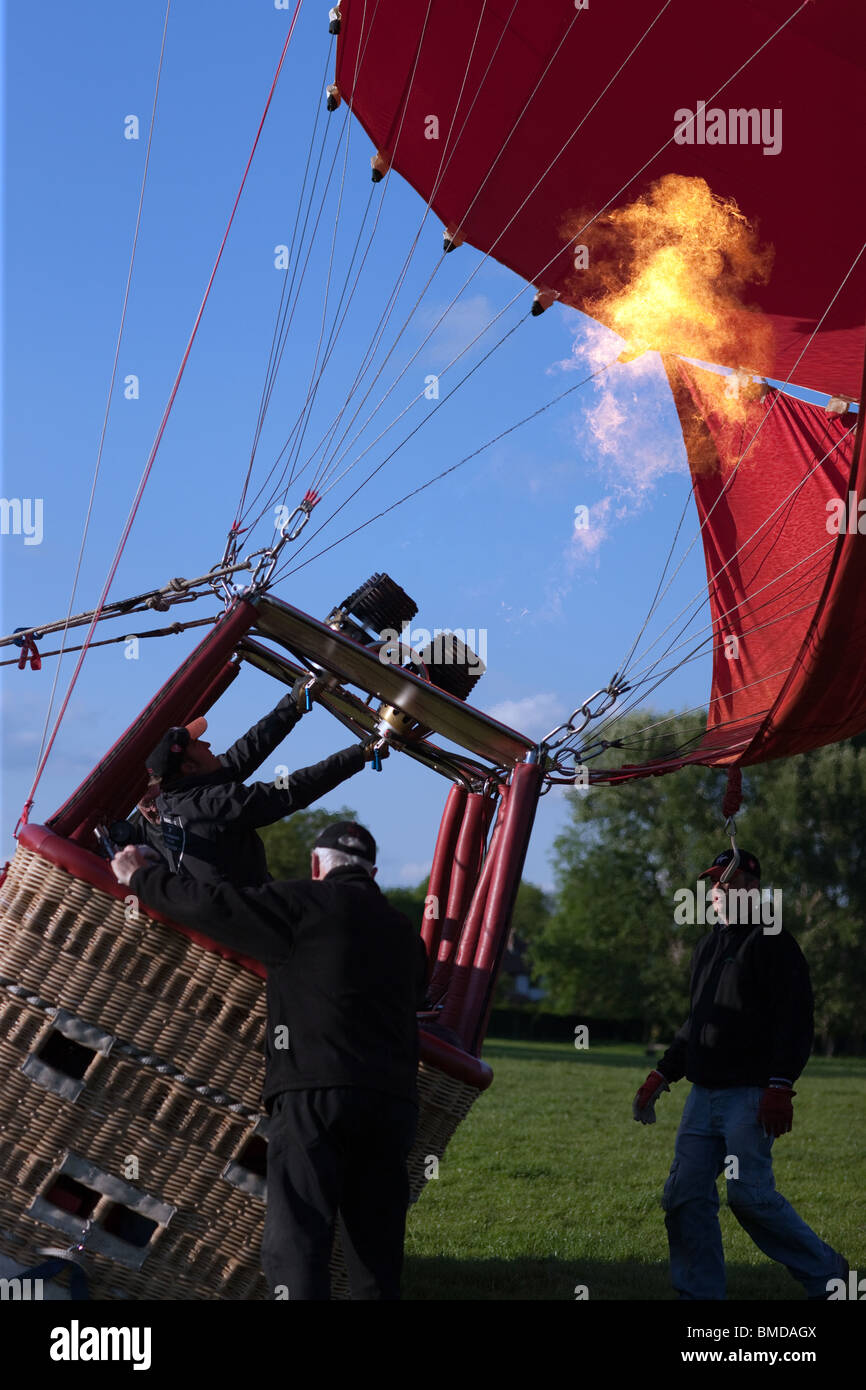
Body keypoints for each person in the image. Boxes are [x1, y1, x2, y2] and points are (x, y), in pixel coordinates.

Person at [111, 820, 428, 1301]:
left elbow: (213, 909)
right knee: (375, 1245)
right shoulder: (406, 934)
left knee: (298, 1234)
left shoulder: (302, 903)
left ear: (317, 865)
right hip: (393, 1101)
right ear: (374, 872)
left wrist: (142, 877)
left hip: (314, 1091)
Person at [633, 847, 847, 1301]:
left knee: (749, 1196)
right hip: (702, 1096)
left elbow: (796, 1018)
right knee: (684, 1197)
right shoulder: (710, 943)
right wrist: (663, 1072)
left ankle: (832, 1280)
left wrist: (780, 1084)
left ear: (752, 889)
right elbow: (699, 1020)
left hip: (749, 1095)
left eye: (724, 883)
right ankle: (700, 1295)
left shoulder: (773, 940)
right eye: (712, 883)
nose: (715, 891)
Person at [110, 676, 383, 888]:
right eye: (197, 744)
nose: (207, 743)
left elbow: (242, 756)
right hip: (246, 930)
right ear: (190, 767)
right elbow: (290, 792)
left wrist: (293, 704)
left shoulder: (179, 799)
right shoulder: (208, 806)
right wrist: (359, 755)